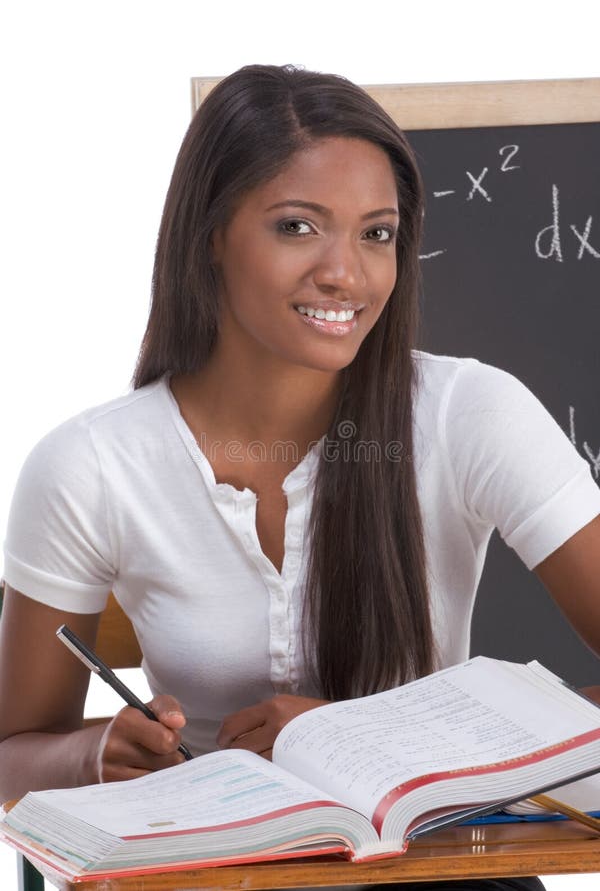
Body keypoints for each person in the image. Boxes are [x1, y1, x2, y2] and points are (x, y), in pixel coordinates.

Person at [1, 64, 599, 891]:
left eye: (376, 233)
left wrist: (377, 745)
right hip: (213, 875)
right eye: (296, 227)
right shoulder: (89, 464)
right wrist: (93, 753)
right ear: (210, 234)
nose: (345, 275)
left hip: (439, 878)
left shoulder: (471, 412)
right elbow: (12, 757)